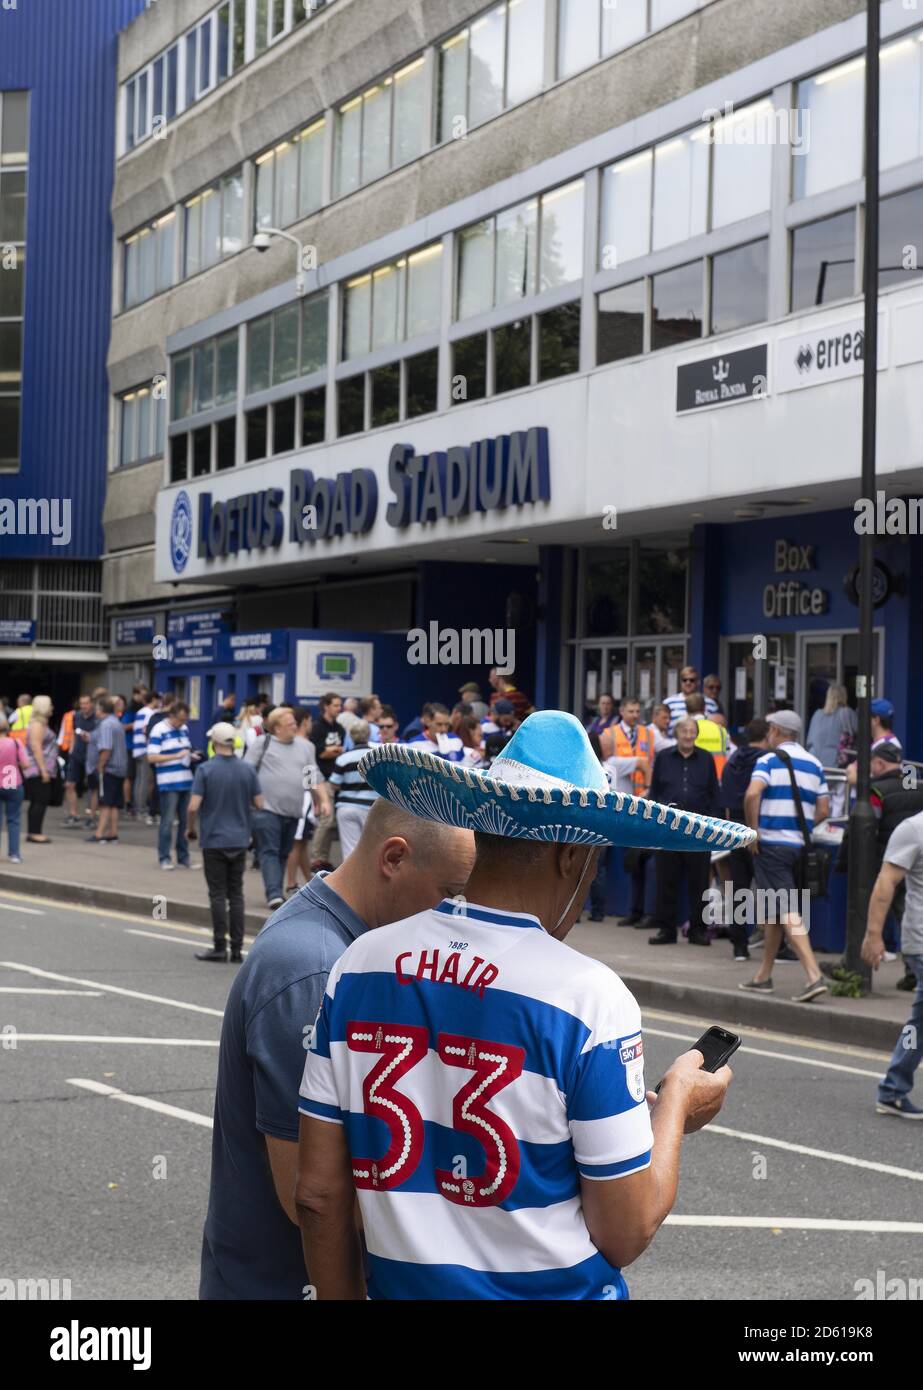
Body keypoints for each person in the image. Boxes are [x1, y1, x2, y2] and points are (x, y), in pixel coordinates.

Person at [295, 710, 743, 1301]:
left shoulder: (359, 965)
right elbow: (625, 1231)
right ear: (570, 857)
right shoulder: (590, 998)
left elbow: (319, 1196)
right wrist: (677, 1104)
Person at [200, 801, 476, 1299]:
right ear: (393, 859)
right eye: (450, 895)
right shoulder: (315, 971)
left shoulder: (352, 941)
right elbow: (312, 1195)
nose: (458, 917)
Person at [741, 709, 830, 1003]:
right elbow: (824, 811)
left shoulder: (767, 760)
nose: (768, 734)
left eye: (770, 729)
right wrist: (799, 827)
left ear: (777, 731)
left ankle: (814, 974)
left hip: (771, 846)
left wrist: (753, 831)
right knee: (773, 911)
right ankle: (763, 976)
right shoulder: (815, 764)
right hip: (798, 848)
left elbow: (753, 794)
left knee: (785, 907)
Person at [862, 810, 923, 1118]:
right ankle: (893, 1089)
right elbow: (886, 882)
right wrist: (874, 935)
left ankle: (893, 1090)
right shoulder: (914, 828)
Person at [187, 723, 264, 964]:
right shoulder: (247, 770)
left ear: (214, 743)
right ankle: (237, 949)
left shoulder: (205, 770)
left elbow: (193, 806)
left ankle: (219, 946)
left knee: (218, 894)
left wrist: (191, 828)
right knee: (236, 894)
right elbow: (260, 804)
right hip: (240, 839)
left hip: (214, 839)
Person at [646, 717, 720, 946]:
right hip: (669, 828)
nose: (688, 735)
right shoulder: (664, 757)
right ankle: (666, 930)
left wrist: (712, 826)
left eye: (692, 731)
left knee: (699, 882)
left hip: (698, 831)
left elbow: (714, 793)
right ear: (676, 733)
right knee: (666, 880)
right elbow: (655, 791)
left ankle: (698, 930)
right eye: (684, 731)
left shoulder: (706, 759)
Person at [246, 706, 326, 909]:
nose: (294, 726)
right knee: (270, 851)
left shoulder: (306, 747)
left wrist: (322, 800)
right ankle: (274, 894)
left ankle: (276, 892)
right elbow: (246, 773)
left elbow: (312, 777)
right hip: (266, 810)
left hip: (293, 811)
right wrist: (253, 798)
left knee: (283, 853)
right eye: (289, 724)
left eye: (294, 723)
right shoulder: (262, 744)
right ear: (276, 728)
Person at [719, 718, 770, 961]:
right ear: (767, 735)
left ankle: (738, 943)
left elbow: (726, 800)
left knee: (740, 886)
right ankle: (777, 944)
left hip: (736, 830)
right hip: (760, 830)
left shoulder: (732, 762)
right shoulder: (767, 762)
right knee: (770, 889)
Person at [147, 700, 195, 870]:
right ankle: (164, 857)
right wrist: (176, 756)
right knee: (167, 821)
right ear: (171, 716)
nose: (182, 723)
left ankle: (184, 857)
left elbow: (185, 750)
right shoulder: (159, 729)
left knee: (185, 822)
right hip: (168, 782)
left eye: (185, 720)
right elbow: (152, 757)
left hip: (185, 780)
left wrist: (191, 755)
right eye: (180, 719)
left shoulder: (184, 729)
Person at [327, 720, 378, 860]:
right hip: (371, 809)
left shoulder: (343, 758)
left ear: (351, 736)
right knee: (372, 849)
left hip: (346, 807)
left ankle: (351, 881)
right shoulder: (376, 758)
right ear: (368, 735)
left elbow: (334, 784)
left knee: (350, 851)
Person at [308, 693, 343, 872]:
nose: (339, 708)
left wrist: (332, 750)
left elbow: (340, 751)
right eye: (336, 705)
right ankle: (317, 859)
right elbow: (319, 754)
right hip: (320, 779)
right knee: (326, 819)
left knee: (331, 821)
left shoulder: (340, 728)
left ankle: (324, 858)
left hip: (336, 779)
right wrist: (331, 750)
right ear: (326, 706)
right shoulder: (317, 727)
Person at [87, 696, 128, 844]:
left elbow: (106, 748)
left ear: (101, 710)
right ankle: (113, 833)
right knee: (115, 803)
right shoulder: (116, 722)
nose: (95, 710)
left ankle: (99, 834)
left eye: (97, 708)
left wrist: (100, 766)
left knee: (105, 802)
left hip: (109, 768)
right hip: (120, 767)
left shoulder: (106, 725)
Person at [23, 696, 59, 844]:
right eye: (50, 705)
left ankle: (34, 831)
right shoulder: (37, 725)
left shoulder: (41, 724)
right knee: (40, 800)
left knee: (39, 800)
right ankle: (35, 832)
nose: (52, 708)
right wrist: (43, 770)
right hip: (38, 769)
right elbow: (36, 747)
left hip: (43, 768)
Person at [600, 696, 653, 796]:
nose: (635, 715)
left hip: (644, 795)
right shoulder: (608, 733)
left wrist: (648, 789)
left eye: (637, 711)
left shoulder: (648, 733)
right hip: (620, 794)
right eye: (631, 711)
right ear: (621, 711)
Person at [62, 694, 98, 827]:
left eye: (86, 703)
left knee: (93, 787)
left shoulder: (97, 717)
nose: (83, 706)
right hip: (76, 754)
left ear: (92, 704)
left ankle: (91, 817)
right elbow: (73, 733)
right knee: (69, 784)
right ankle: (73, 814)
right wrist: (71, 750)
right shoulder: (76, 716)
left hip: (92, 756)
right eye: (81, 703)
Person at [806, 684, 856, 771]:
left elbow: (809, 742)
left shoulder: (817, 714)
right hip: (835, 765)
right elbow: (859, 733)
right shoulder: (846, 712)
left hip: (814, 762)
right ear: (844, 696)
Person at [0, 715, 28, 862]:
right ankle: (14, 854)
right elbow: (25, 764)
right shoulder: (15, 743)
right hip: (12, 782)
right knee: (14, 820)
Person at [132, 691, 162, 823]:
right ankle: (142, 810)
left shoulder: (140, 712)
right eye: (158, 700)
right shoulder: (150, 713)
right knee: (145, 780)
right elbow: (146, 730)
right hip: (145, 749)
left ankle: (137, 807)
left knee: (139, 780)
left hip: (137, 748)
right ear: (154, 699)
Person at [686, 692, 730, 777]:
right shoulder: (720, 730)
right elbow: (728, 754)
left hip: (694, 777)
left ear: (687, 710)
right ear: (704, 708)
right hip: (718, 777)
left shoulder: (686, 731)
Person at [664, 667, 719, 732]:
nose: (688, 683)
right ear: (680, 682)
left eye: (692, 680)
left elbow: (718, 726)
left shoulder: (711, 703)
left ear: (698, 682)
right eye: (684, 680)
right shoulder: (669, 703)